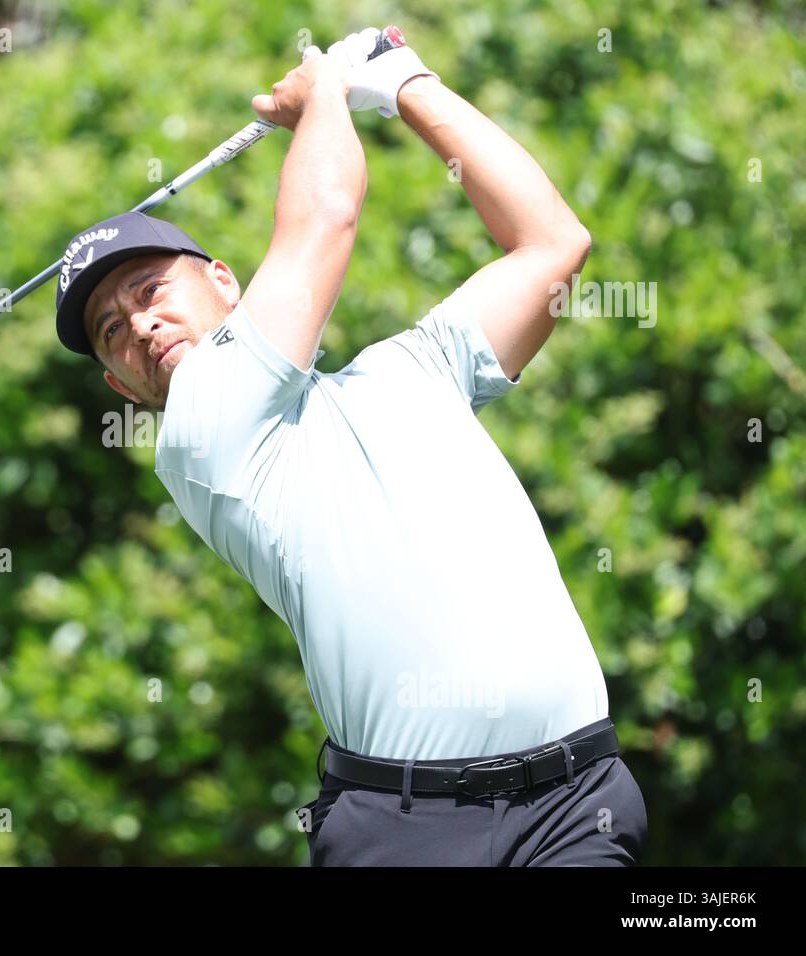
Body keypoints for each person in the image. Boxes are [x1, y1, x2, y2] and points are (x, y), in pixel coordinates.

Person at [52, 28, 647, 866]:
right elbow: (327, 214)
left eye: (151, 291)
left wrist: (407, 83)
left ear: (224, 278)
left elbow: (553, 245)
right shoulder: (197, 433)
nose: (140, 325)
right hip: (411, 830)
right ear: (123, 389)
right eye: (111, 330)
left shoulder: (411, 369)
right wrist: (326, 90)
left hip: (577, 805)